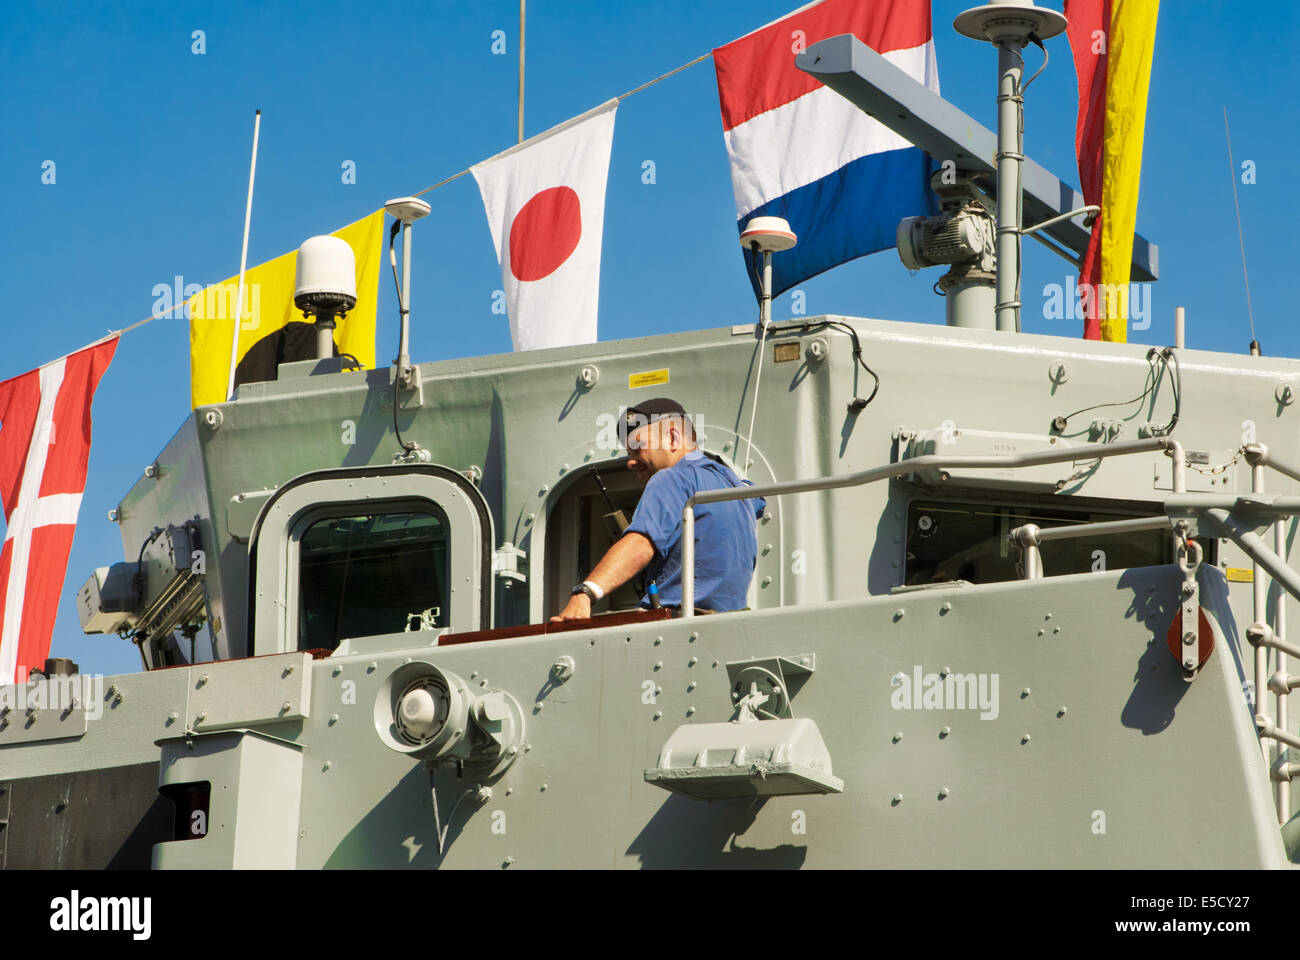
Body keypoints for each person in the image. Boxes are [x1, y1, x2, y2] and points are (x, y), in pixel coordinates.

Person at [551, 397, 765, 621]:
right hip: (728, 621)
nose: (630, 462)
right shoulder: (734, 485)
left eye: (638, 448)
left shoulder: (672, 477)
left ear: (672, 437)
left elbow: (641, 544)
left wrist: (586, 593)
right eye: (629, 453)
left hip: (675, 623)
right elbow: (759, 500)